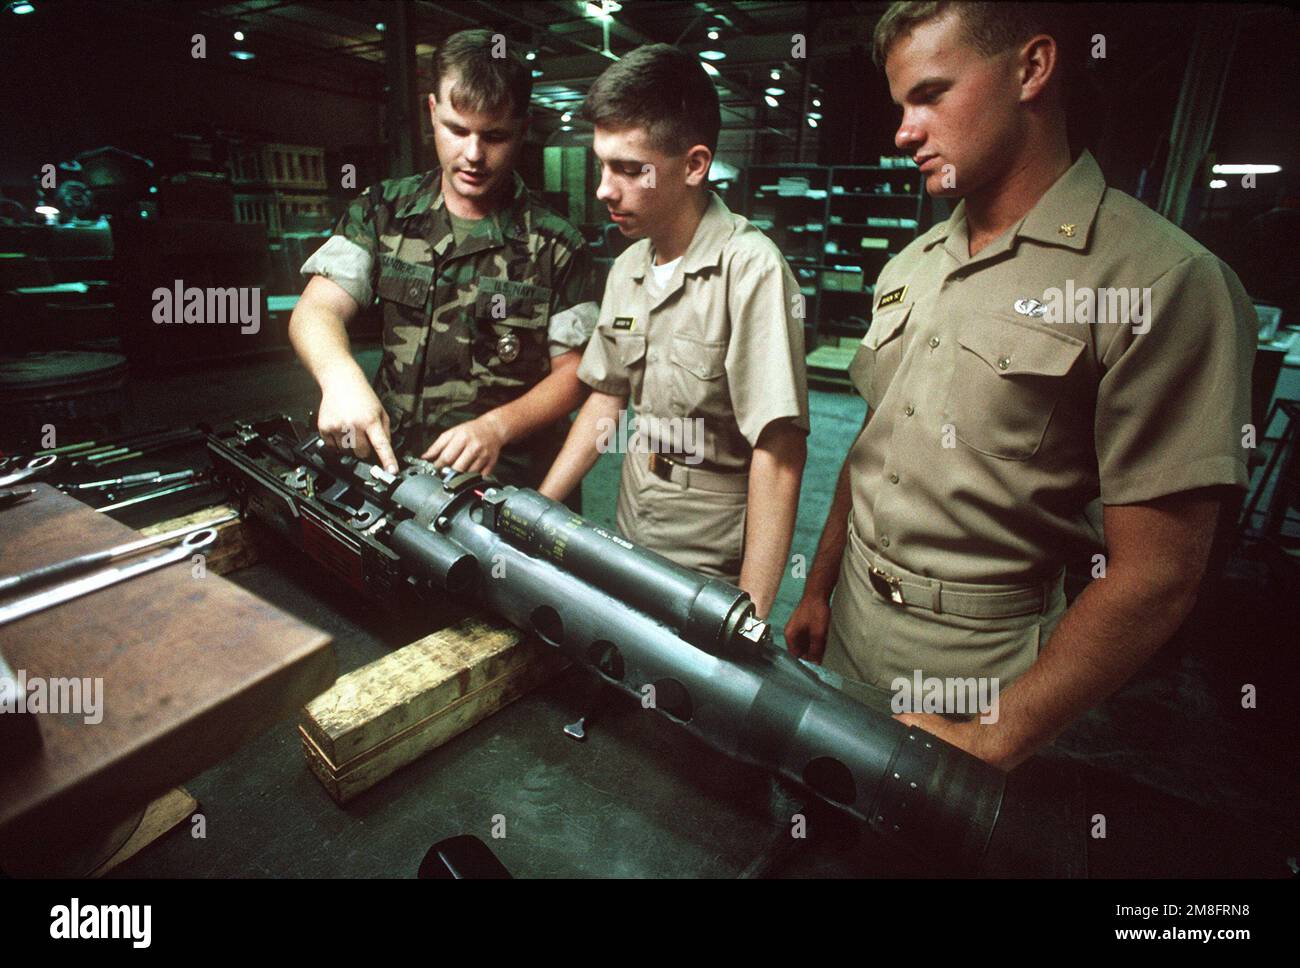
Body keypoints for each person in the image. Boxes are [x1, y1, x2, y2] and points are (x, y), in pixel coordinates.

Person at [784, 1, 1257, 770]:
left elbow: (1158, 574)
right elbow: (873, 447)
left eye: (931, 95)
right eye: (900, 104)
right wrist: (820, 587)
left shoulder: (1160, 281)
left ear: (1032, 69)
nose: (903, 131)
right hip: (850, 627)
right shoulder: (911, 268)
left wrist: (993, 737)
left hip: (983, 671)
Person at [538, 44, 809, 620]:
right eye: (601, 164)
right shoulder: (630, 266)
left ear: (693, 165)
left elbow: (779, 453)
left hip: (711, 558)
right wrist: (539, 506)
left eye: (630, 169)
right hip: (633, 526)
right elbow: (606, 398)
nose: (604, 190)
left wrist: (751, 614)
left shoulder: (751, 270)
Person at [290, 29, 599, 495]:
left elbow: (574, 374)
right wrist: (340, 377)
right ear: (431, 112)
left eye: (495, 136)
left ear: (524, 128)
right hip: (395, 474)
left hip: (507, 489)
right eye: (458, 130)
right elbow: (317, 310)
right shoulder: (381, 211)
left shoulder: (557, 245)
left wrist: (497, 427)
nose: (474, 155)